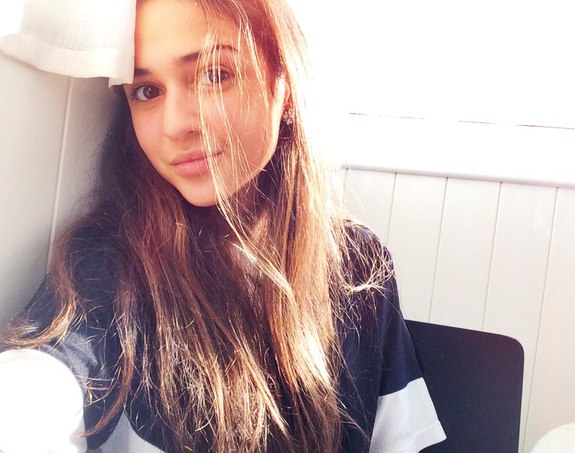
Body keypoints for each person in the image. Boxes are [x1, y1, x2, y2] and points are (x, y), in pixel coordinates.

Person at [0, 0, 446, 451]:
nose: (175, 125)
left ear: (284, 84)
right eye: (147, 90)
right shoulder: (110, 259)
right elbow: (38, 387)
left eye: (215, 75)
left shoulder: (359, 263)